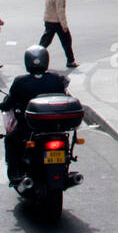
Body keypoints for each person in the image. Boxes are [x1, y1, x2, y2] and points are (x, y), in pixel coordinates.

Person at [1, 45, 68, 184]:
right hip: (55, 127)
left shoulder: (21, 81)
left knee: (10, 140)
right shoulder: (56, 79)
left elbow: (9, 102)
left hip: (29, 128)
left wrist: (3, 105)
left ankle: (15, 174)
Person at [39, 0, 79, 69]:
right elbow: (60, 12)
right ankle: (70, 61)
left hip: (48, 20)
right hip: (57, 22)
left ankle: (36, 55)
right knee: (67, 41)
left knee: (45, 41)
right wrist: (64, 25)